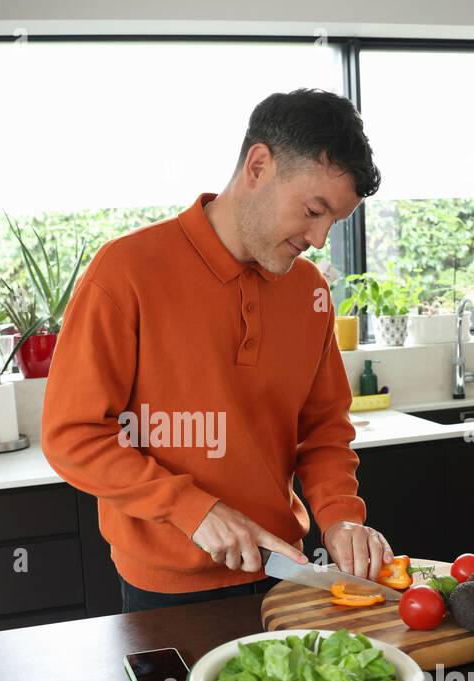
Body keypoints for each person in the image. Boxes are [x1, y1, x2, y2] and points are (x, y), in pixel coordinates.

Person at [41, 88, 393, 613]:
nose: (319, 239)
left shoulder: (308, 290)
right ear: (258, 165)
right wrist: (193, 510)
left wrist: (342, 516)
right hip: (164, 591)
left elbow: (322, 429)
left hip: (284, 575)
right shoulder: (125, 272)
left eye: (333, 222)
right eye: (313, 210)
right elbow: (73, 435)